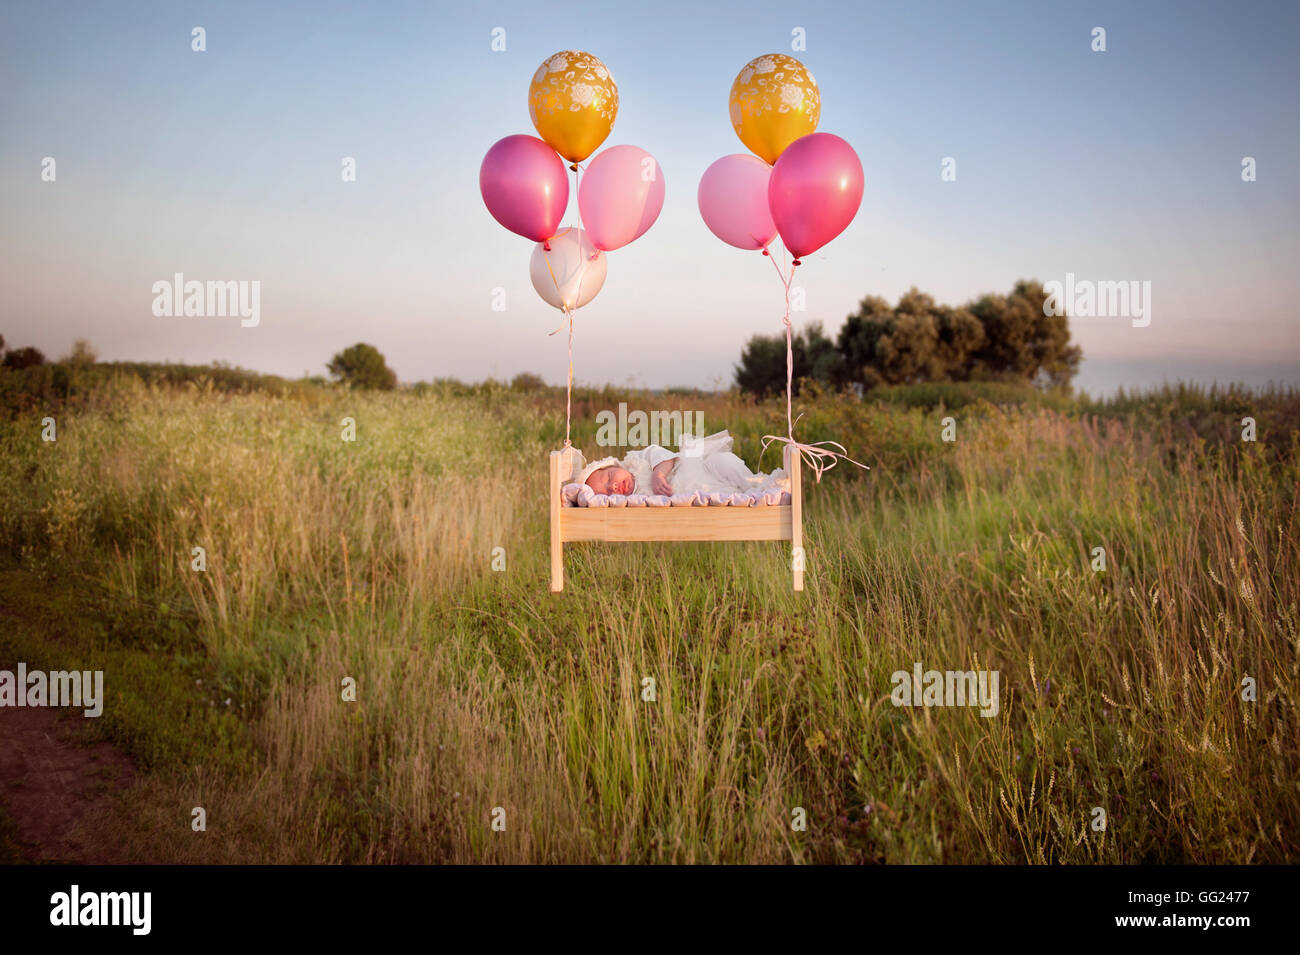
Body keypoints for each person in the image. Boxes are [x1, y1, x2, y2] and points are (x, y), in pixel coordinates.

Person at [580, 430, 785, 497]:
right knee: (728, 493)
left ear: (614, 465)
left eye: (608, 478)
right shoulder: (631, 499)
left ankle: (760, 483)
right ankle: (755, 494)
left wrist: (658, 474)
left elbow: (664, 456)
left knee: (722, 461)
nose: (613, 486)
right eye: (607, 491)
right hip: (695, 490)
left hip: (695, 469)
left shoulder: (637, 460)